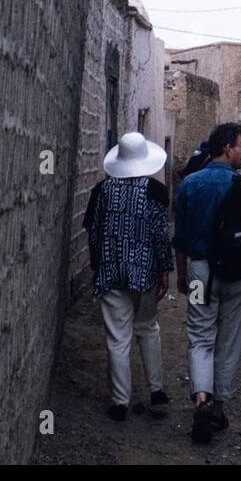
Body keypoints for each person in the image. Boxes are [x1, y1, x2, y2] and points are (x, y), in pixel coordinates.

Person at [173, 122, 241, 443]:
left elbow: (180, 237)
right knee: (229, 338)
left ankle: (201, 398)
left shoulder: (191, 184)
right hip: (236, 272)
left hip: (200, 271)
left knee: (200, 336)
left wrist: (182, 274)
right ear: (228, 148)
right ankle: (219, 407)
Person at [83, 132, 173, 422]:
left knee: (117, 338)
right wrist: (164, 269)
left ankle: (120, 402)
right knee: (148, 328)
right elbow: (160, 234)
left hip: (110, 273)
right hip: (144, 272)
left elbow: (93, 233)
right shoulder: (156, 192)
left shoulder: (101, 190)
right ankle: (156, 390)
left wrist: (99, 264)